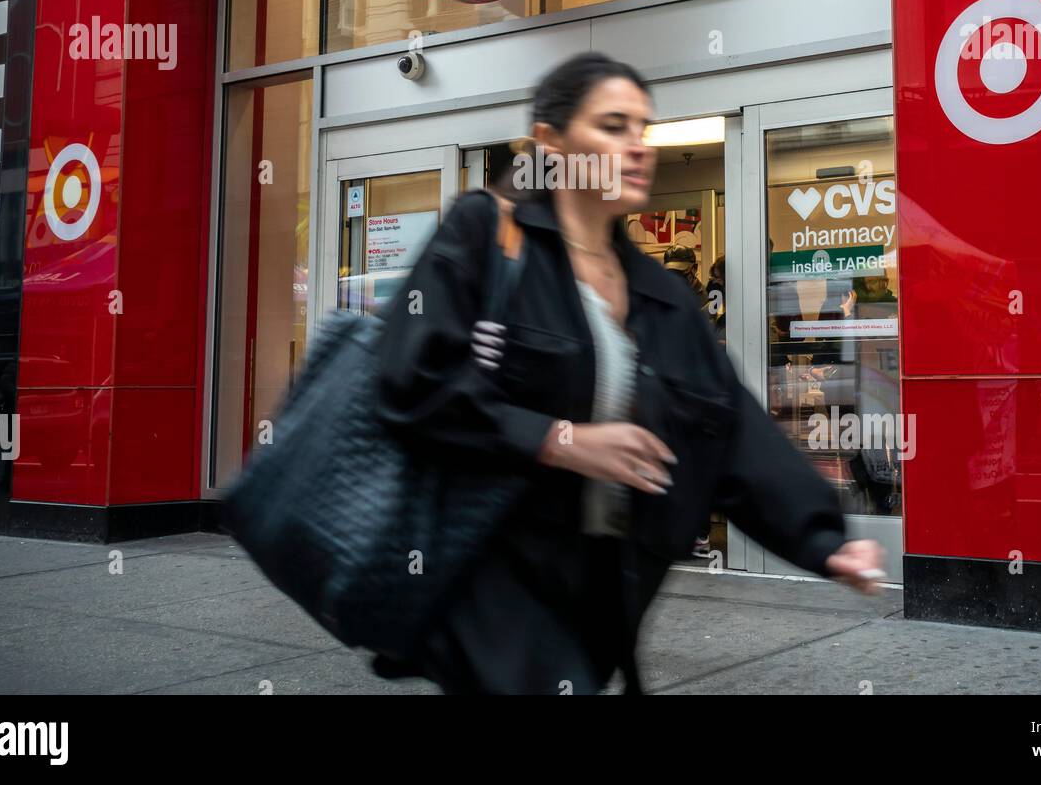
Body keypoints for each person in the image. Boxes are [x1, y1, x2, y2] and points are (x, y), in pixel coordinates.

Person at [374, 51, 884, 695]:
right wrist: (562, 440)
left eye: (643, 128)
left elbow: (724, 425)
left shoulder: (660, 294)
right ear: (550, 144)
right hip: (491, 576)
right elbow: (411, 380)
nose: (639, 146)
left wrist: (821, 539)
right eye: (613, 126)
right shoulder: (486, 236)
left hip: (601, 594)